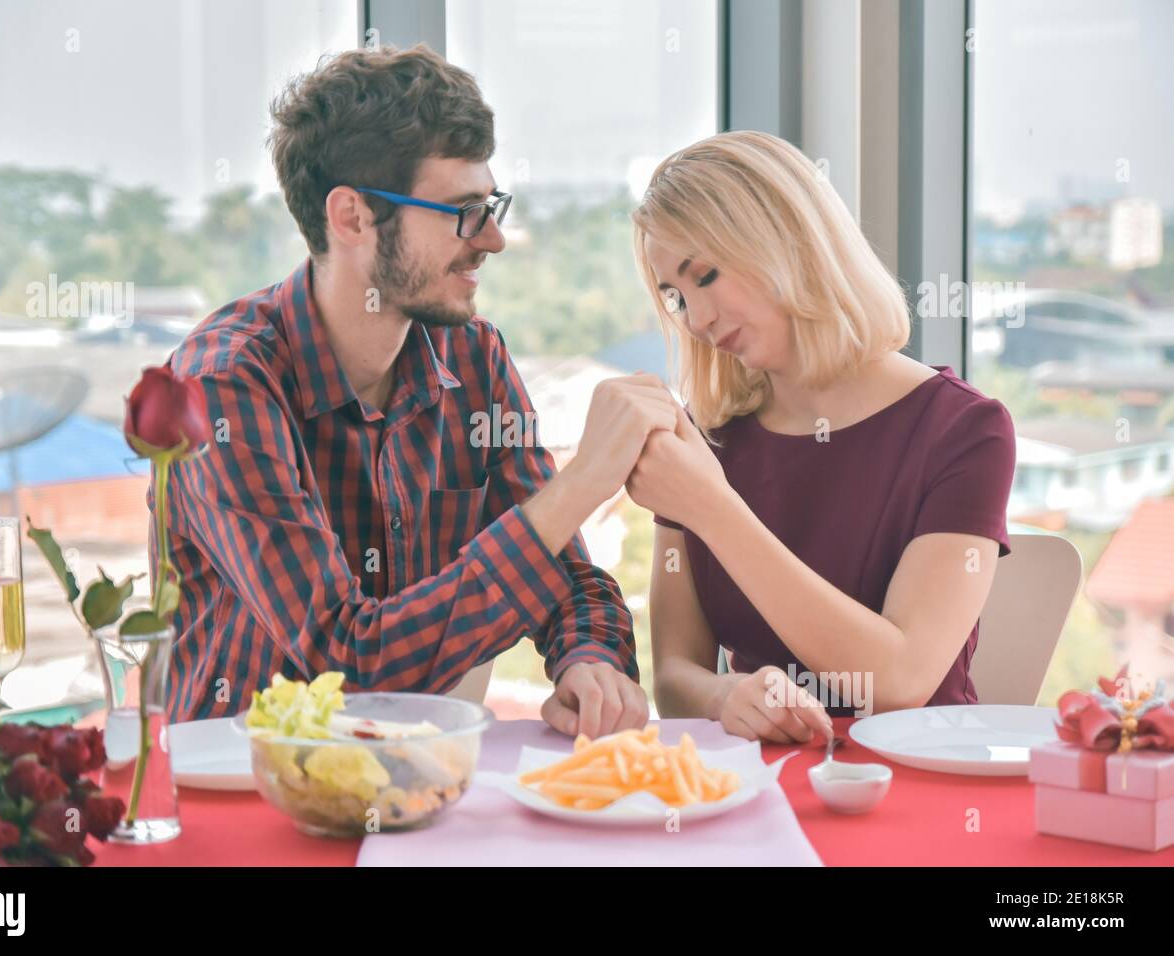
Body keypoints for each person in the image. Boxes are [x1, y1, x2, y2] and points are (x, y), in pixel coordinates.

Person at [153, 44, 666, 736]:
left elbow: (568, 577)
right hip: (248, 796)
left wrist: (587, 660)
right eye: (461, 211)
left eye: (491, 206)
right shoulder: (223, 387)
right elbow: (347, 663)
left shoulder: (472, 359)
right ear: (353, 218)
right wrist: (582, 484)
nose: (493, 240)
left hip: (419, 786)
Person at [624, 130, 1016, 744]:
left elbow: (897, 681)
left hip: (917, 784)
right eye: (675, 295)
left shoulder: (966, 431)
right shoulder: (706, 438)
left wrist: (713, 507)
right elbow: (675, 680)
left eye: (705, 275)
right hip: (756, 787)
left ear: (786, 241)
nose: (696, 320)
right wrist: (724, 694)